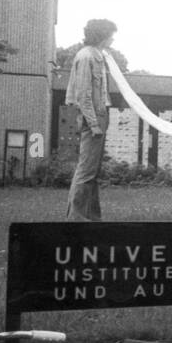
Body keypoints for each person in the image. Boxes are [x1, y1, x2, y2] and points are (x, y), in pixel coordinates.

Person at [65, 19, 117, 221]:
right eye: (111, 34)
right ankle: (76, 219)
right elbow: (83, 94)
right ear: (101, 35)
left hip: (100, 115)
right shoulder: (86, 57)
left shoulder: (98, 56)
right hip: (93, 118)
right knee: (86, 171)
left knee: (92, 171)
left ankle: (92, 218)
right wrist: (94, 124)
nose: (113, 38)